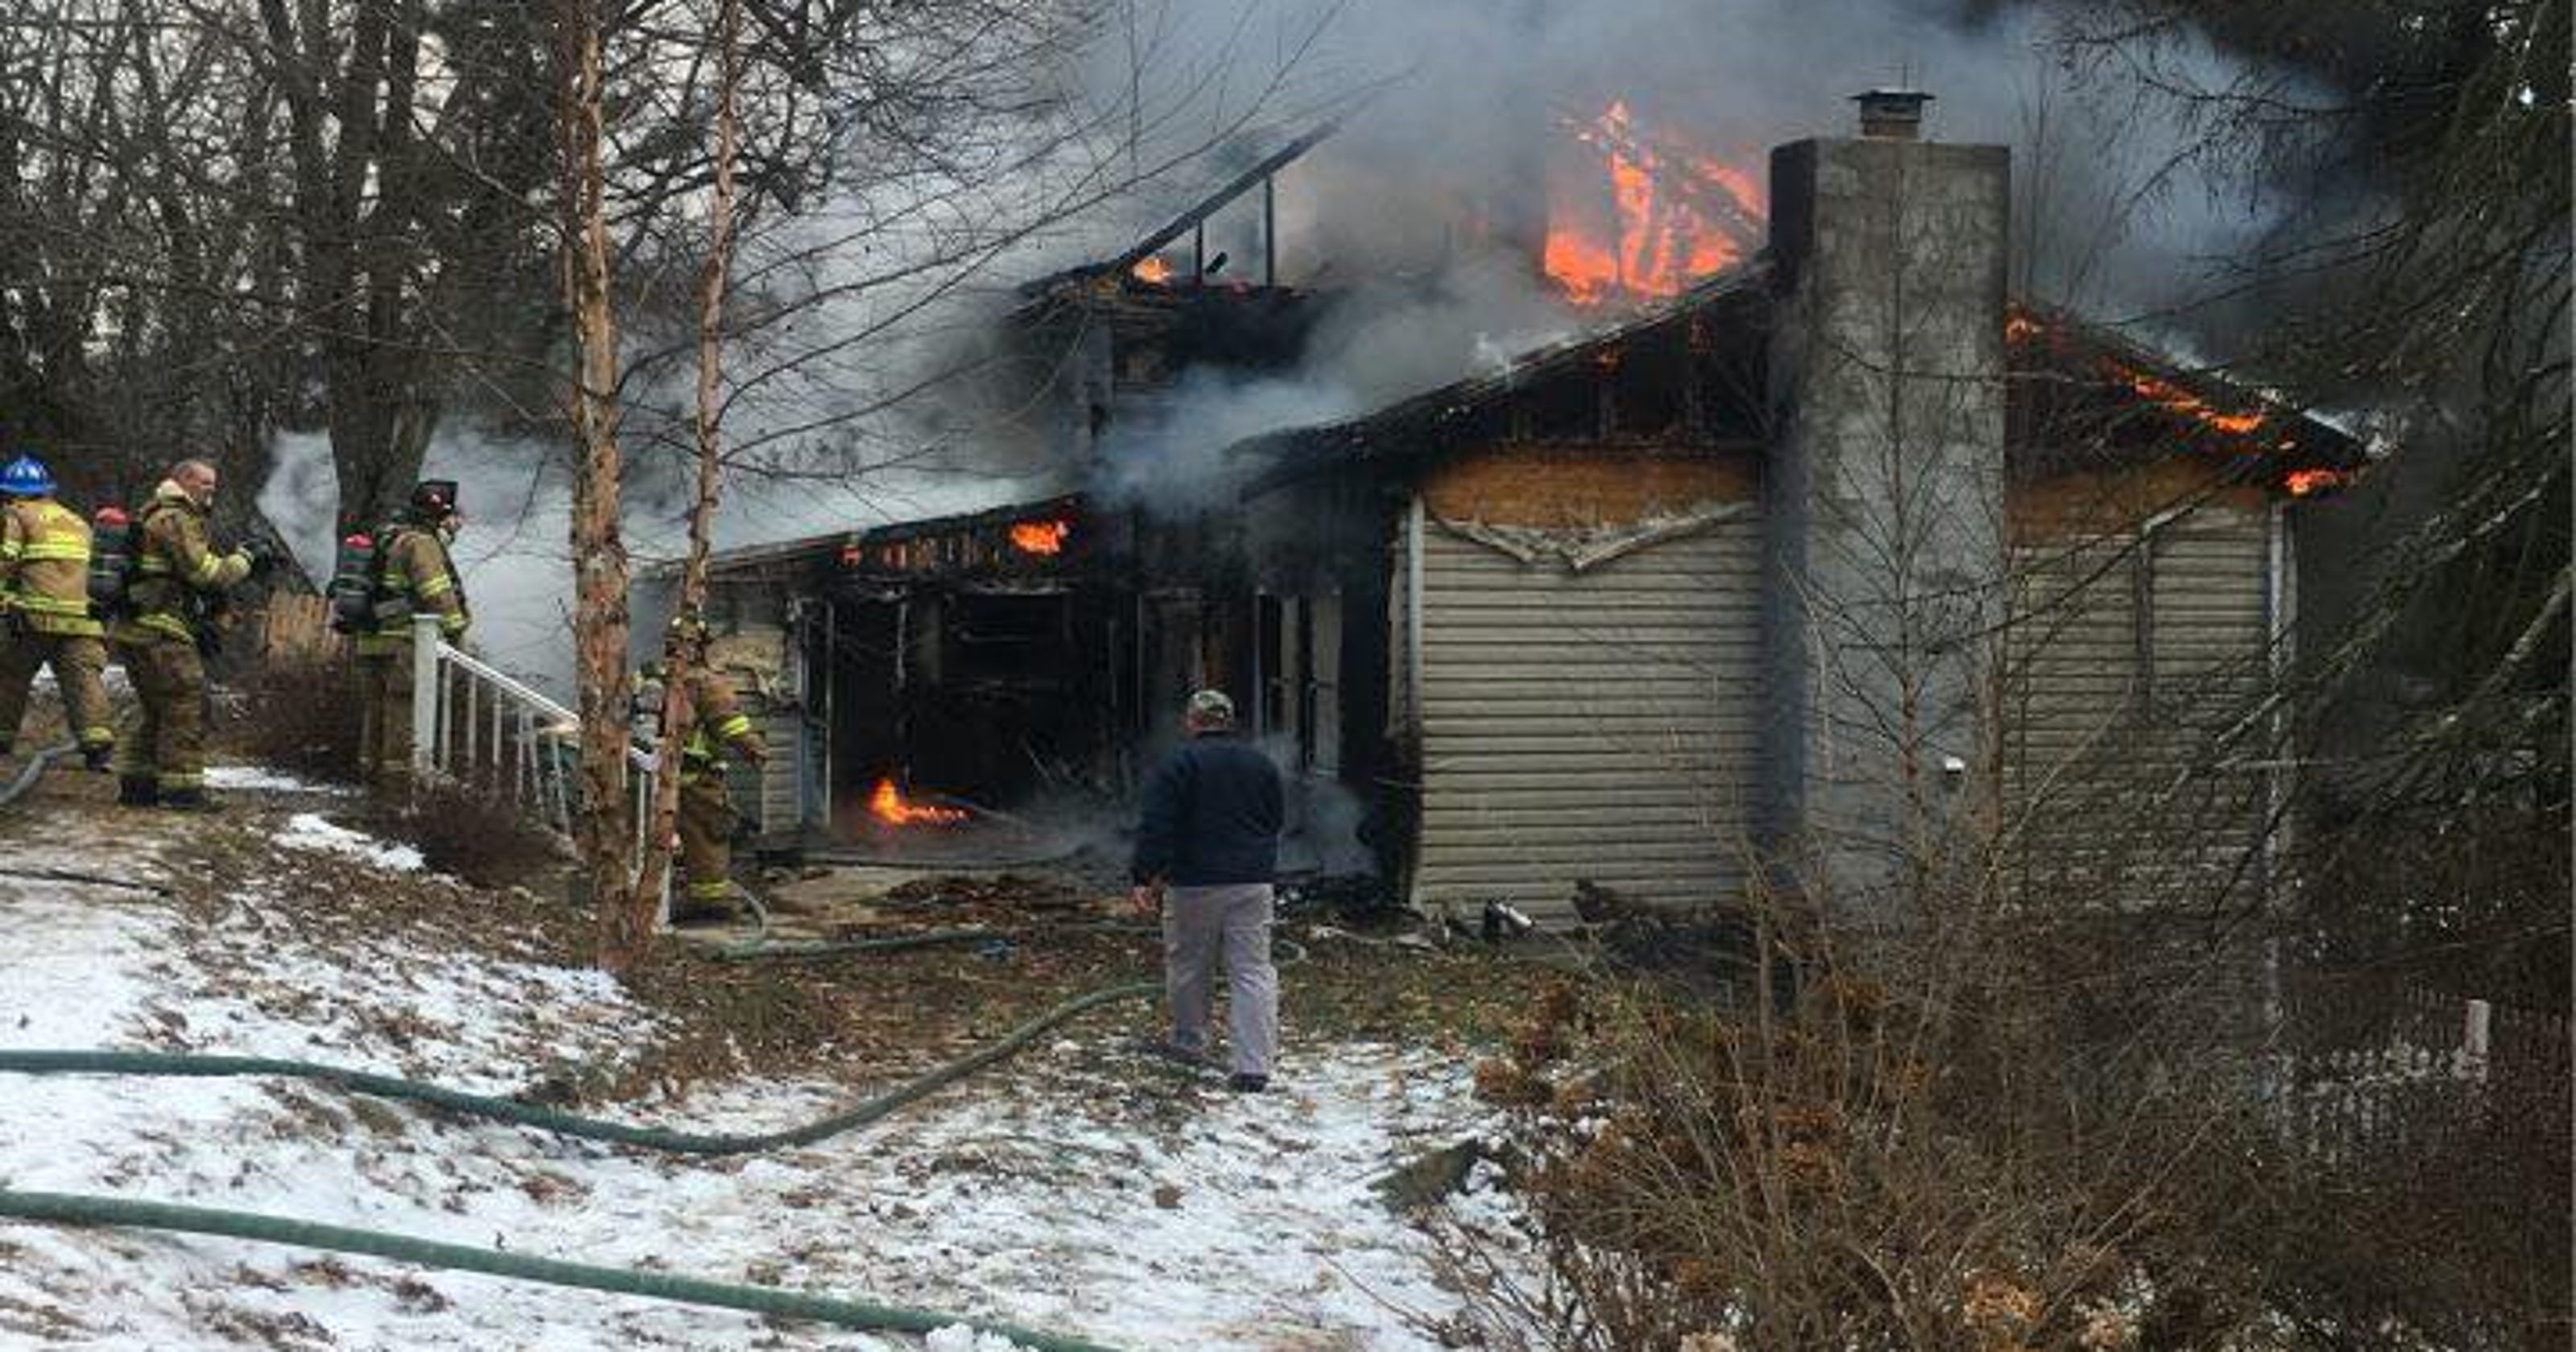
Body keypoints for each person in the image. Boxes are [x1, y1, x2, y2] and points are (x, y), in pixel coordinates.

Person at [1130, 688, 1286, 1092]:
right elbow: (1275, 819)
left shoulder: (1180, 763)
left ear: (1192, 721)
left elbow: (1159, 823)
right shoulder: (1260, 763)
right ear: (1229, 721)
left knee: (1189, 963)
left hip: (1195, 884)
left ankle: (1189, 1042)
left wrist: (1145, 875)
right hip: (1253, 882)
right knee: (1252, 970)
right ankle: (1254, 1067)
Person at [110, 458, 266, 810]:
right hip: (160, 631)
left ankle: (138, 784)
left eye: (213, 483)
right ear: (182, 481)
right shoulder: (175, 517)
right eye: (203, 482)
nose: (211, 489)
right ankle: (183, 791)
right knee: (186, 707)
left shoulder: (163, 514)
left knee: (157, 710)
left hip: (144, 628)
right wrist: (246, 559)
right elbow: (205, 573)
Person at [0, 454, 116, 769]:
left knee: (9, 673)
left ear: (11, 492)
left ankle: (3, 737)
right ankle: (98, 746)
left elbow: (5, 560)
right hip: (83, 617)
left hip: (35, 615)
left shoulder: (16, 515)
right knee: (84, 679)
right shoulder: (75, 520)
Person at [353, 480, 470, 786]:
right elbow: (436, 593)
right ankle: (398, 787)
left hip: (371, 639)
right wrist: (458, 633)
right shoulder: (421, 542)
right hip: (403, 642)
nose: (456, 523)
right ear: (439, 514)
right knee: (403, 714)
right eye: (452, 516)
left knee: (375, 712)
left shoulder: (386, 534)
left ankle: (370, 778)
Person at [657, 612, 767, 926]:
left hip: (652, 776)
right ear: (702, 647)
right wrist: (755, 750)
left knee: (652, 836)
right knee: (708, 836)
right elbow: (729, 723)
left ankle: (646, 895)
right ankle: (710, 903)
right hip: (696, 780)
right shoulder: (704, 682)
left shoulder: (650, 677)